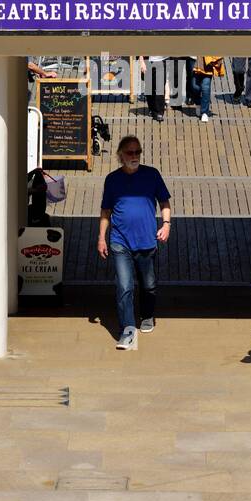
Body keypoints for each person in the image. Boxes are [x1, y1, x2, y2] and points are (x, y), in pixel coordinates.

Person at [97, 135, 171, 350]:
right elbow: (105, 211)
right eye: (130, 152)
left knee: (148, 285)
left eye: (138, 152)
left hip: (147, 241)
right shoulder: (112, 180)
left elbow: (164, 201)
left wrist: (166, 225)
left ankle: (147, 315)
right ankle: (128, 330)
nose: (135, 156)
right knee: (124, 286)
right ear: (120, 155)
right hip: (120, 242)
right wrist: (102, 238)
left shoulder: (152, 175)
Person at [191, 56, 225, 123]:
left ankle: (204, 112)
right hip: (194, 60)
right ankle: (198, 103)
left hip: (208, 63)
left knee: (205, 87)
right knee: (195, 87)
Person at [141, 55, 168, 121]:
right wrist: (141, 61)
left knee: (160, 85)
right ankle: (152, 108)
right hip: (148, 61)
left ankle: (159, 112)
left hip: (162, 60)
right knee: (149, 87)